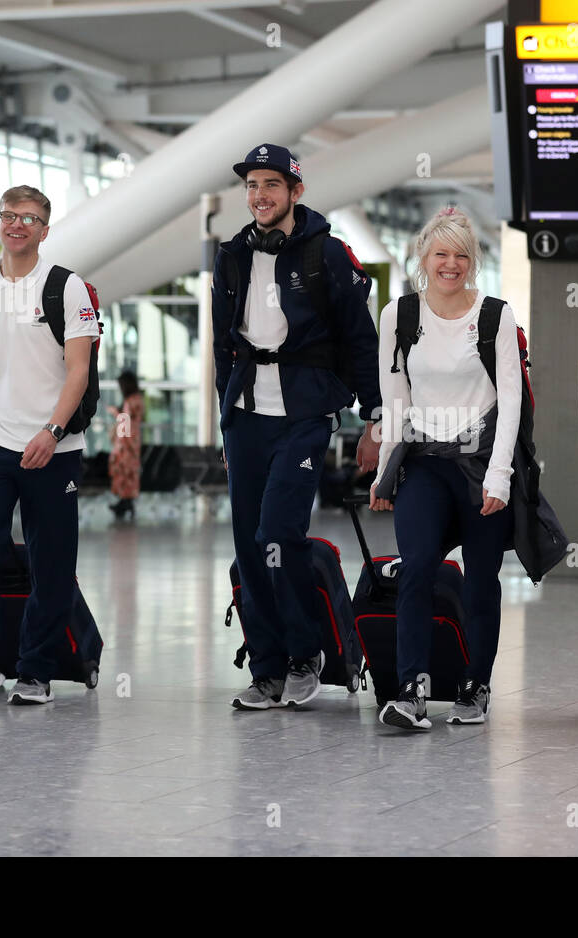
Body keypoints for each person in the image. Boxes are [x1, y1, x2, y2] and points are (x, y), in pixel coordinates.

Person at [213, 143, 380, 711]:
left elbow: (360, 338)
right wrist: (224, 416)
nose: (260, 196)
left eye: (271, 186)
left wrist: (375, 415)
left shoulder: (326, 254)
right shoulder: (231, 256)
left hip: (305, 412)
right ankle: (267, 669)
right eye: (252, 186)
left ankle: (306, 652)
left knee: (278, 534)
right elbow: (220, 343)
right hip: (246, 416)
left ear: (295, 192)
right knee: (247, 543)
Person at [369, 207, 522, 730]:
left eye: (461, 255)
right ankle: (411, 689)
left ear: (472, 262)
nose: (450, 264)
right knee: (415, 568)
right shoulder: (399, 315)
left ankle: (475, 685)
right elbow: (394, 398)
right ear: (423, 258)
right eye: (441, 254)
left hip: (481, 462)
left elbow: (512, 401)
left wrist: (500, 475)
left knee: (481, 578)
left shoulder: (496, 315)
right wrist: (385, 471)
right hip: (425, 461)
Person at [0, 184, 100, 706]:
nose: (17, 225)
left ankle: (35, 670)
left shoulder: (67, 288)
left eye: (30, 219)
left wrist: (52, 431)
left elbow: (78, 371)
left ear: (45, 230)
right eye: (9, 216)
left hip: (55, 447)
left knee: (52, 562)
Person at [107, 370, 144, 520]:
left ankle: (125, 503)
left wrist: (115, 412)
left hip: (126, 444)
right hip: (133, 442)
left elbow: (125, 423)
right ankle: (126, 503)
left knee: (123, 472)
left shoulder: (130, 401)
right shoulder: (139, 399)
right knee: (130, 473)